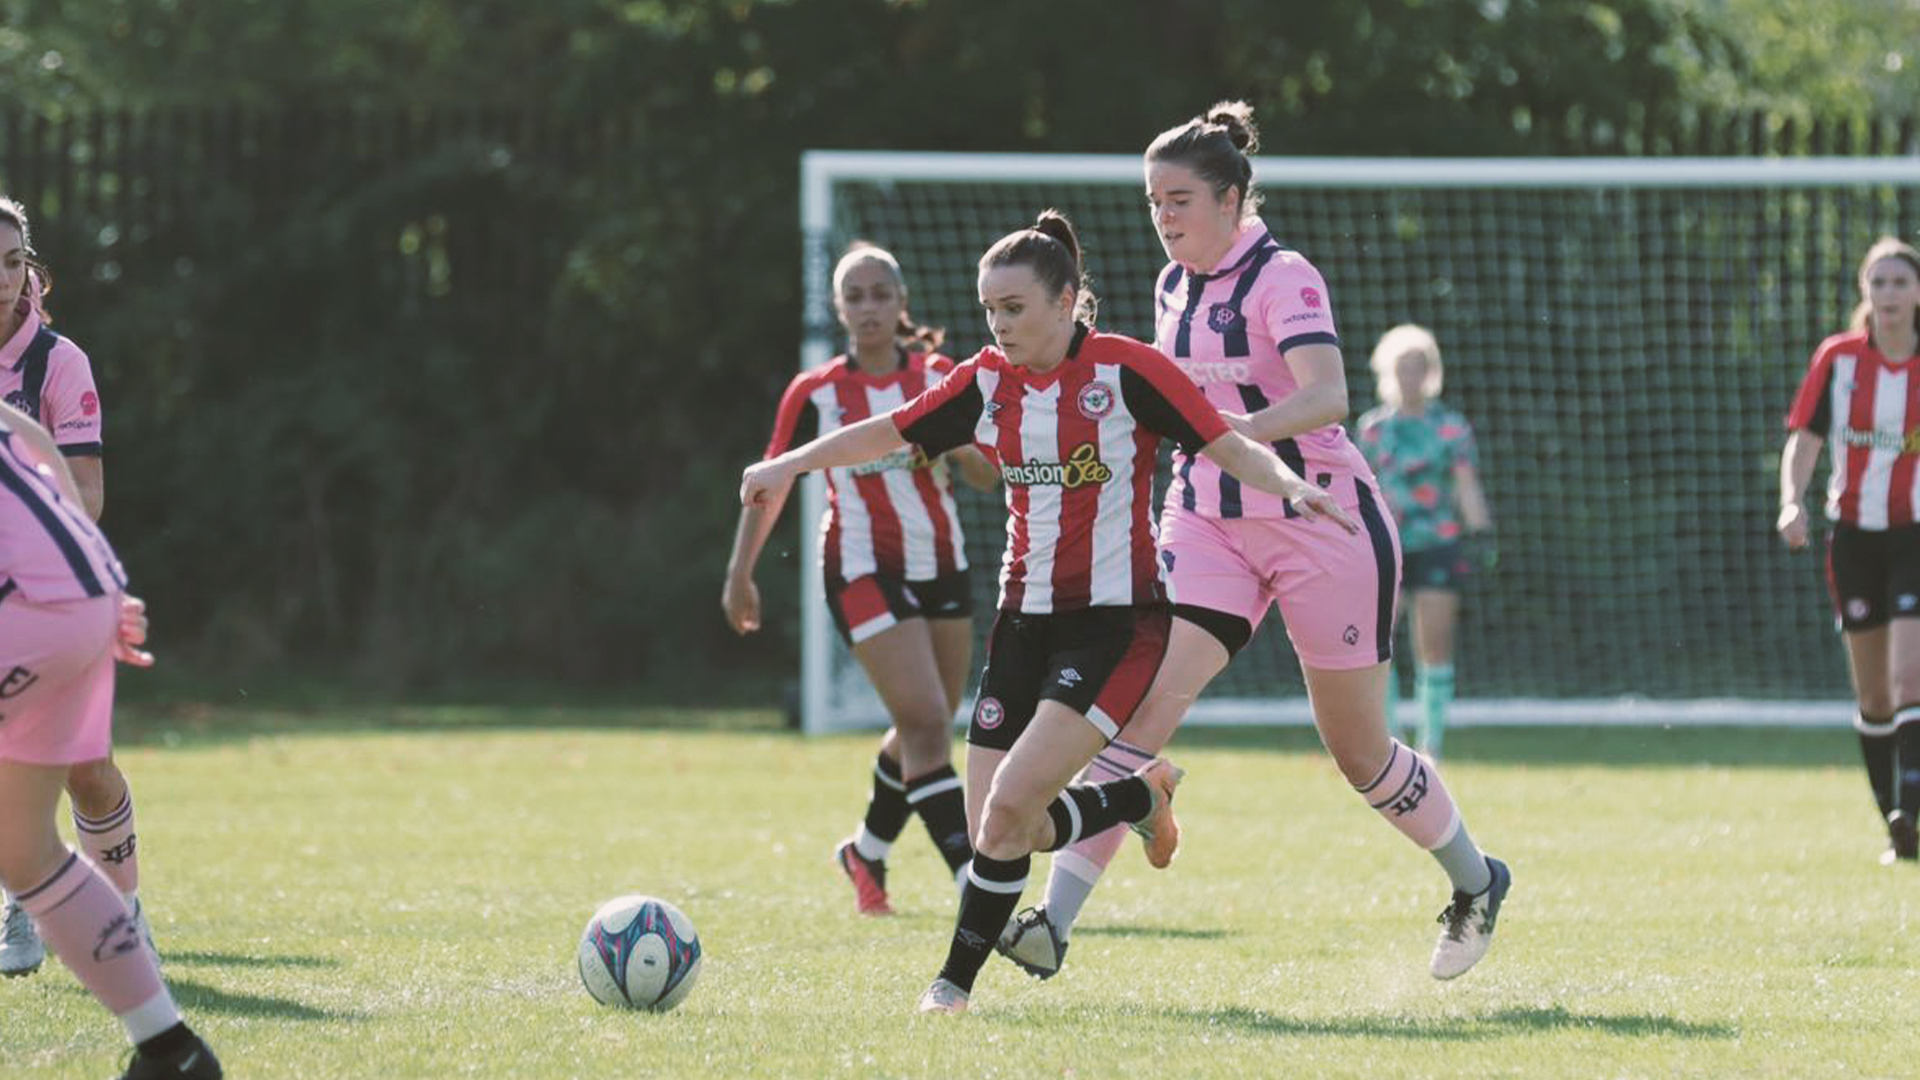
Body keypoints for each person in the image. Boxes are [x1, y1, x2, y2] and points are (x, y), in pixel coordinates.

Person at [742, 209, 1355, 1014]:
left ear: (1067, 300)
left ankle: (948, 991)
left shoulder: (1128, 370)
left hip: (1116, 627)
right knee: (1003, 832)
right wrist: (786, 462)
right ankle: (1138, 797)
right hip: (1021, 626)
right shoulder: (983, 380)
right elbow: (885, 431)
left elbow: (1224, 444)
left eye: (1015, 308)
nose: (999, 325)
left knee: (1006, 814)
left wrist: (1294, 485)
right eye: (989, 309)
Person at [997, 102, 1510, 985]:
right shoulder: (1169, 289)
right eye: (1154, 200)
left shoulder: (1286, 277)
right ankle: (1052, 923)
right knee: (1139, 707)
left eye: (1180, 199)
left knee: (1360, 753)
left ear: (1233, 199)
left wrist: (1232, 428)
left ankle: (1477, 880)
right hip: (1204, 522)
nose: (1163, 216)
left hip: (1321, 520)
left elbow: (1329, 396)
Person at [725, 243, 992, 914]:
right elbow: (772, 483)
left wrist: (956, 440)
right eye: (855, 296)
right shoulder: (814, 392)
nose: (868, 307)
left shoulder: (940, 375)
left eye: (880, 295)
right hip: (859, 569)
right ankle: (971, 879)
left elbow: (990, 474)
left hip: (943, 567)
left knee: (921, 724)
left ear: (901, 304)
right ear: (838, 309)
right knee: (928, 718)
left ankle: (866, 851)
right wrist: (741, 572)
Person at [0, 400, 222, 1078]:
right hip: (78, 593)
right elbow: (29, 434)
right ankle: (169, 1050)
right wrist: (93, 572)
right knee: (23, 847)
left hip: (36, 607)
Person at [0, 196, 153, 981]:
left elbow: (85, 494)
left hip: (50, 594)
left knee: (84, 770)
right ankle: (24, 899)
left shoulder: (58, 363)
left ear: (31, 270)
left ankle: (124, 911)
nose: (0, 279)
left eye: (10, 262)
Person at [1779, 235, 1920, 866]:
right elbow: (1805, 440)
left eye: (1899, 282)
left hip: (1915, 534)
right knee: (1873, 696)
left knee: (1908, 673)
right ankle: (1893, 823)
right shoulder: (1837, 359)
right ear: (1866, 292)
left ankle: (1911, 811)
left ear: (1917, 294)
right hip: (1854, 539)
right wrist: (1791, 500)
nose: (1888, 293)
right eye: (1878, 282)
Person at [1356, 324, 1495, 759]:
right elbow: (1363, 490)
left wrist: (1481, 531)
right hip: (1388, 547)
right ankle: (1391, 742)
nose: (1409, 376)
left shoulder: (1450, 427)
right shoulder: (1374, 428)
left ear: (1430, 372)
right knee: (1381, 644)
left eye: (1418, 368)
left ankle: (1430, 743)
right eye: (1402, 368)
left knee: (1433, 643)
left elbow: (1465, 485)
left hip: (1437, 542)